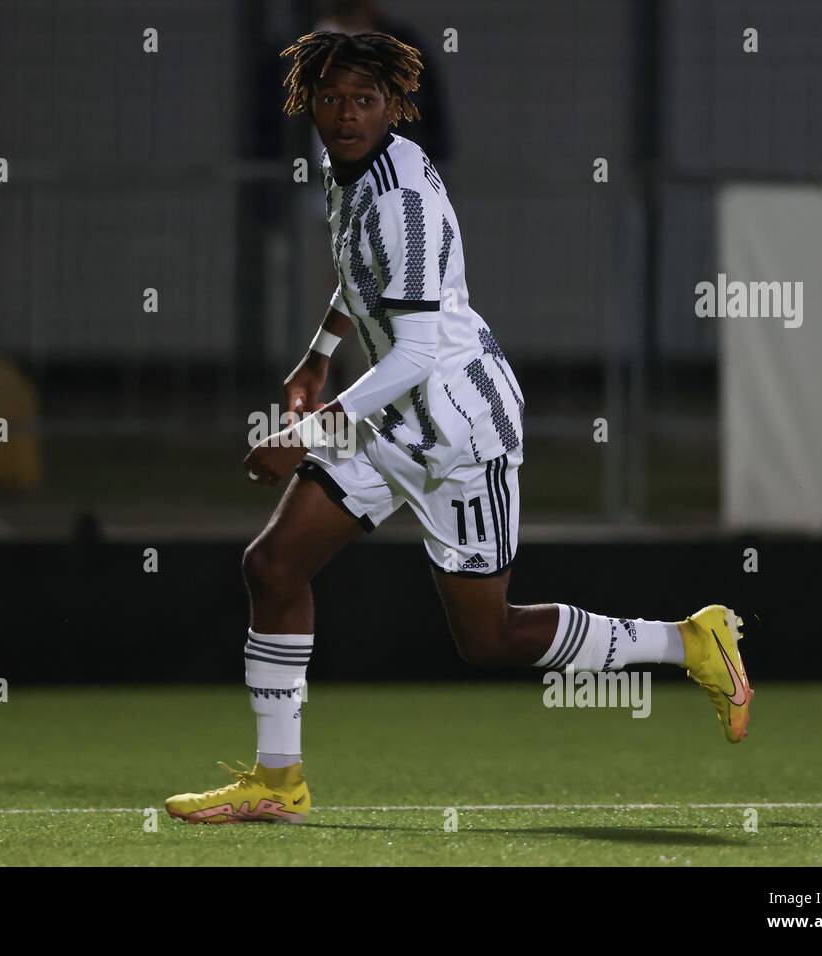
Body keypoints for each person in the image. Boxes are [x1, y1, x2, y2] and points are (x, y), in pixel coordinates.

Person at [165, 31, 752, 825]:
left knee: (490, 639)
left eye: (364, 100)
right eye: (332, 98)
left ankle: (689, 643)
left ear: (395, 106)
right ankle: (279, 783)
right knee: (272, 566)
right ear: (309, 101)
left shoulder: (401, 199)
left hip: (460, 430)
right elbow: (357, 272)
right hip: (393, 415)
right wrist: (319, 354)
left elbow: (415, 351)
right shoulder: (353, 172)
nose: (346, 114)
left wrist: (311, 429)